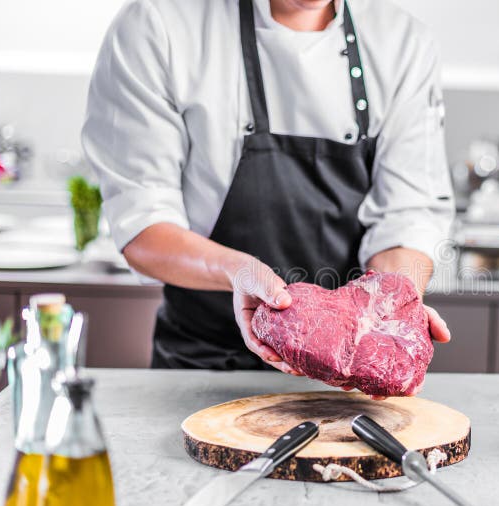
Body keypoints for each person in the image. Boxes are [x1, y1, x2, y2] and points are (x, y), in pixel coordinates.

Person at [82, 0, 454, 381]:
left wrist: (388, 306)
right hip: (202, 367)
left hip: (344, 374)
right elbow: (143, 224)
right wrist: (237, 271)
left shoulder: (401, 43)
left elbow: (408, 215)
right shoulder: (159, 24)